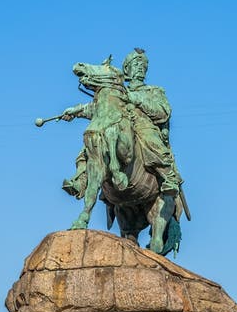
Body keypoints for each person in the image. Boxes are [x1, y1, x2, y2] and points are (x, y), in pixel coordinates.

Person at [62, 48, 183, 200]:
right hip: (116, 123)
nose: (140, 68)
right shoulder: (115, 88)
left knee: (151, 141)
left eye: (143, 65)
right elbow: (102, 108)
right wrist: (76, 111)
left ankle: (168, 178)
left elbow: (163, 112)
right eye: (136, 64)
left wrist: (134, 98)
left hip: (141, 124)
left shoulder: (154, 91)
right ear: (126, 68)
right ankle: (81, 180)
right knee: (91, 145)